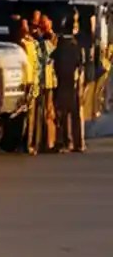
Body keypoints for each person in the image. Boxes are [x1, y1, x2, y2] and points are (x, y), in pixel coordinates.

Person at [53, 15, 86, 153]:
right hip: (73, 81)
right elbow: (80, 63)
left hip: (64, 82)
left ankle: (68, 142)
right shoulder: (75, 43)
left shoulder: (61, 44)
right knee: (75, 112)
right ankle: (77, 143)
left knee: (65, 113)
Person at [10, 16, 39, 154]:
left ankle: (29, 143)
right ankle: (20, 143)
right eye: (23, 26)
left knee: (30, 116)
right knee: (22, 115)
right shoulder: (17, 44)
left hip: (32, 81)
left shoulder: (30, 43)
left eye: (26, 26)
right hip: (23, 82)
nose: (25, 29)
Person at [34, 15, 58, 153]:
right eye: (40, 23)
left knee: (50, 112)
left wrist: (42, 39)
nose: (43, 25)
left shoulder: (53, 38)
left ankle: (50, 142)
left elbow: (49, 52)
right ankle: (42, 142)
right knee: (41, 112)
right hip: (41, 80)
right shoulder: (39, 39)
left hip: (50, 80)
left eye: (44, 22)